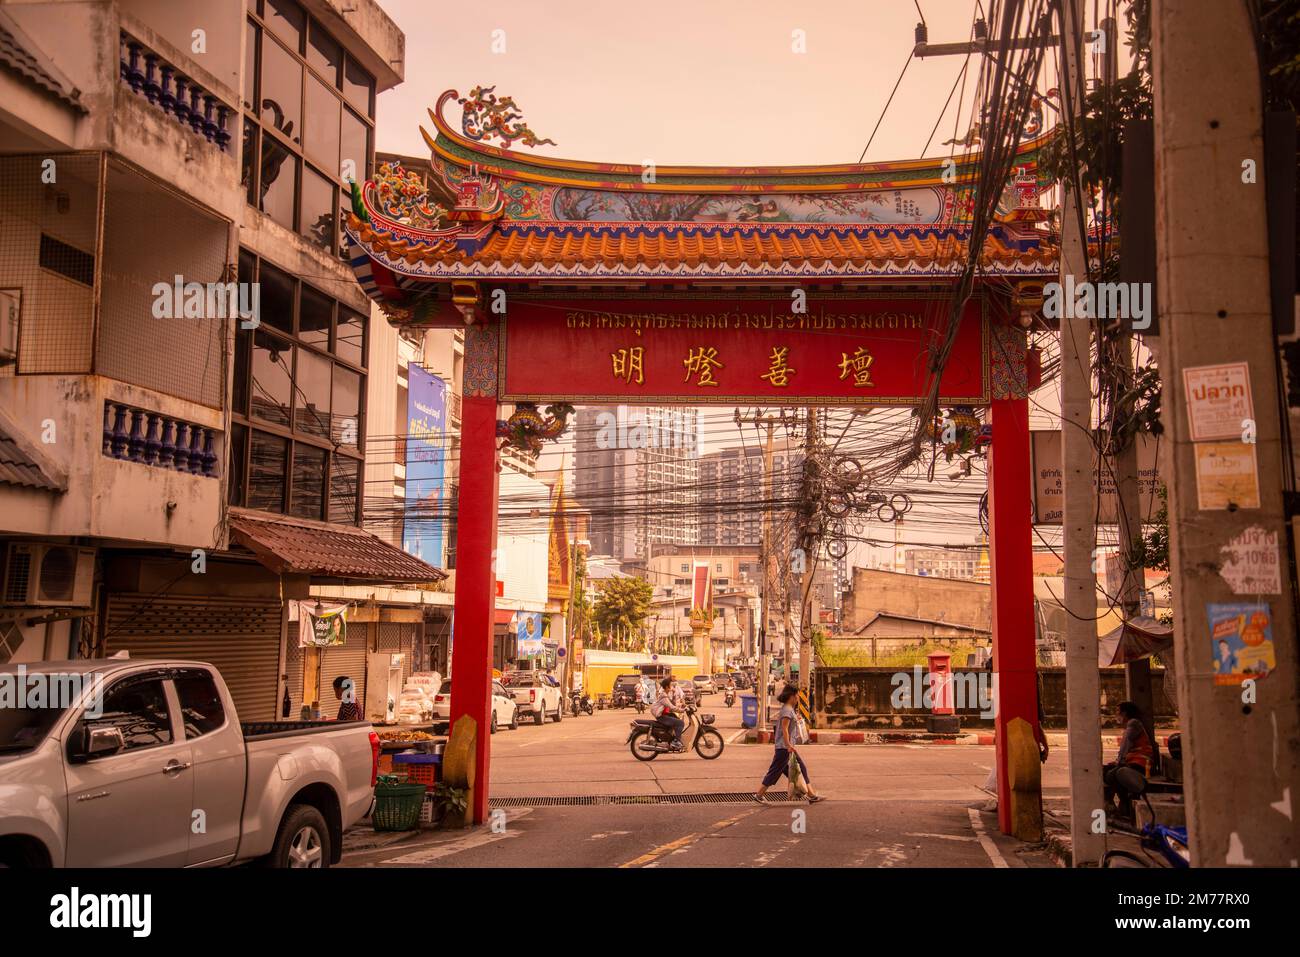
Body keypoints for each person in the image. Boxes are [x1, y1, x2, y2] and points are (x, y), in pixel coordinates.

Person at [755, 684, 823, 805]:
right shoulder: (787, 709)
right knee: (775, 771)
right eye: (796, 695)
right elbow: (784, 729)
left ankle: (811, 795)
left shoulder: (788, 709)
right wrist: (788, 746)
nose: (798, 698)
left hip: (786, 747)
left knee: (800, 768)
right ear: (791, 696)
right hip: (784, 748)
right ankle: (759, 794)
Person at [1103, 700, 1155, 817]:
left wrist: (1119, 762)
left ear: (1125, 713)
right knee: (1106, 771)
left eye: (1118, 711)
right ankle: (1118, 804)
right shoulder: (1133, 724)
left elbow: (1125, 745)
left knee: (1111, 774)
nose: (1116, 714)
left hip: (1139, 764)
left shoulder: (1133, 724)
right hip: (1134, 762)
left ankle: (1114, 804)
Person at [651, 677, 685, 751]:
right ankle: (676, 742)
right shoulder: (663, 696)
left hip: (664, 714)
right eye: (670, 685)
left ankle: (671, 738)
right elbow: (672, 707)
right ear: (667, 687)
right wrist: (682, 710)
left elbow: (672, 703)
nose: (671, 687)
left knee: (676, 719)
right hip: (661, 716)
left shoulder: (666, 694)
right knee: (680, 723)